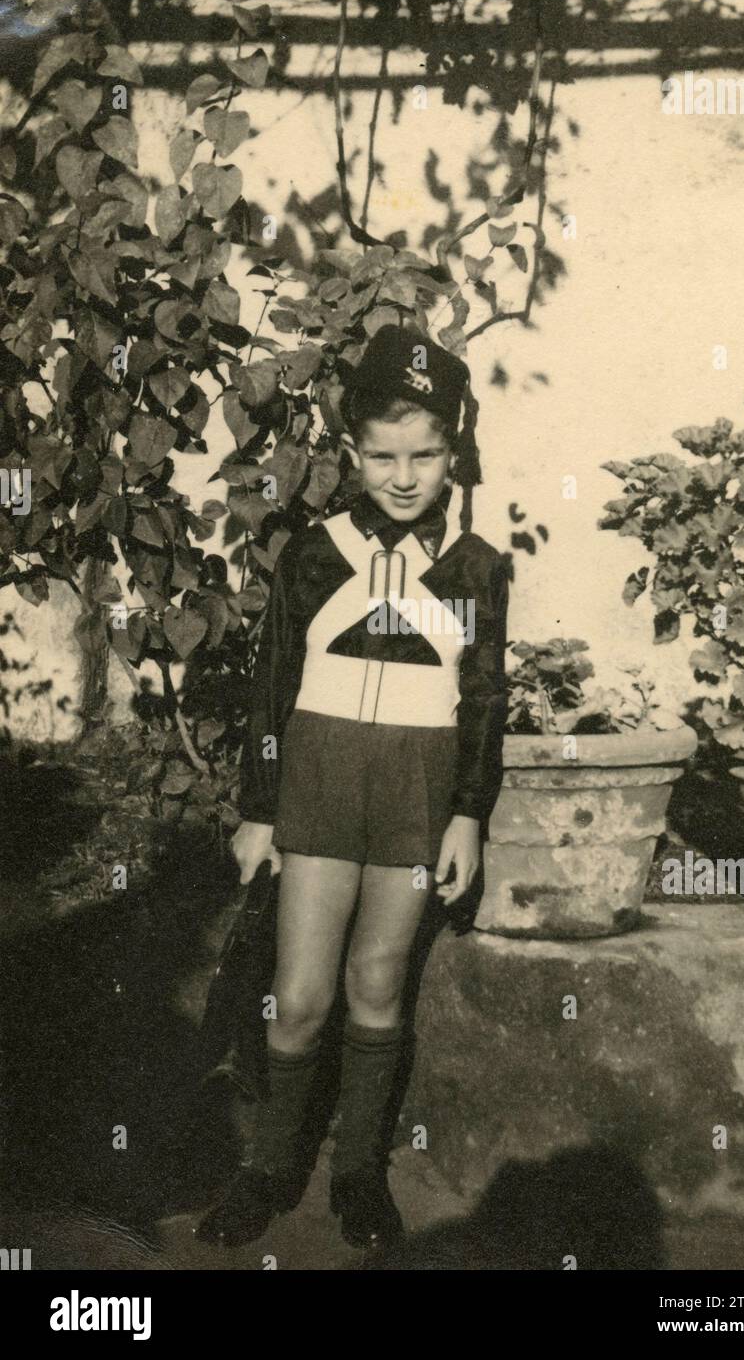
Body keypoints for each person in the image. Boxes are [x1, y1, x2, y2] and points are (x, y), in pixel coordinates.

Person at [194, 323, 509, 1252]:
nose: (404, 476)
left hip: (416, 793)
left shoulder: (478, 567)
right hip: (321, 786)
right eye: (382, 456)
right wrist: (260, 809)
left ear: (454, 450)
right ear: (351, 450)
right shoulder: (314, 553)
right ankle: (268, 1167)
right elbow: (272, 686)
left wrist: (468, 816)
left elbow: (485, 698)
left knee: (378, 982)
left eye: (425, 454)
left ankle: (360, 1173)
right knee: (299, 995)